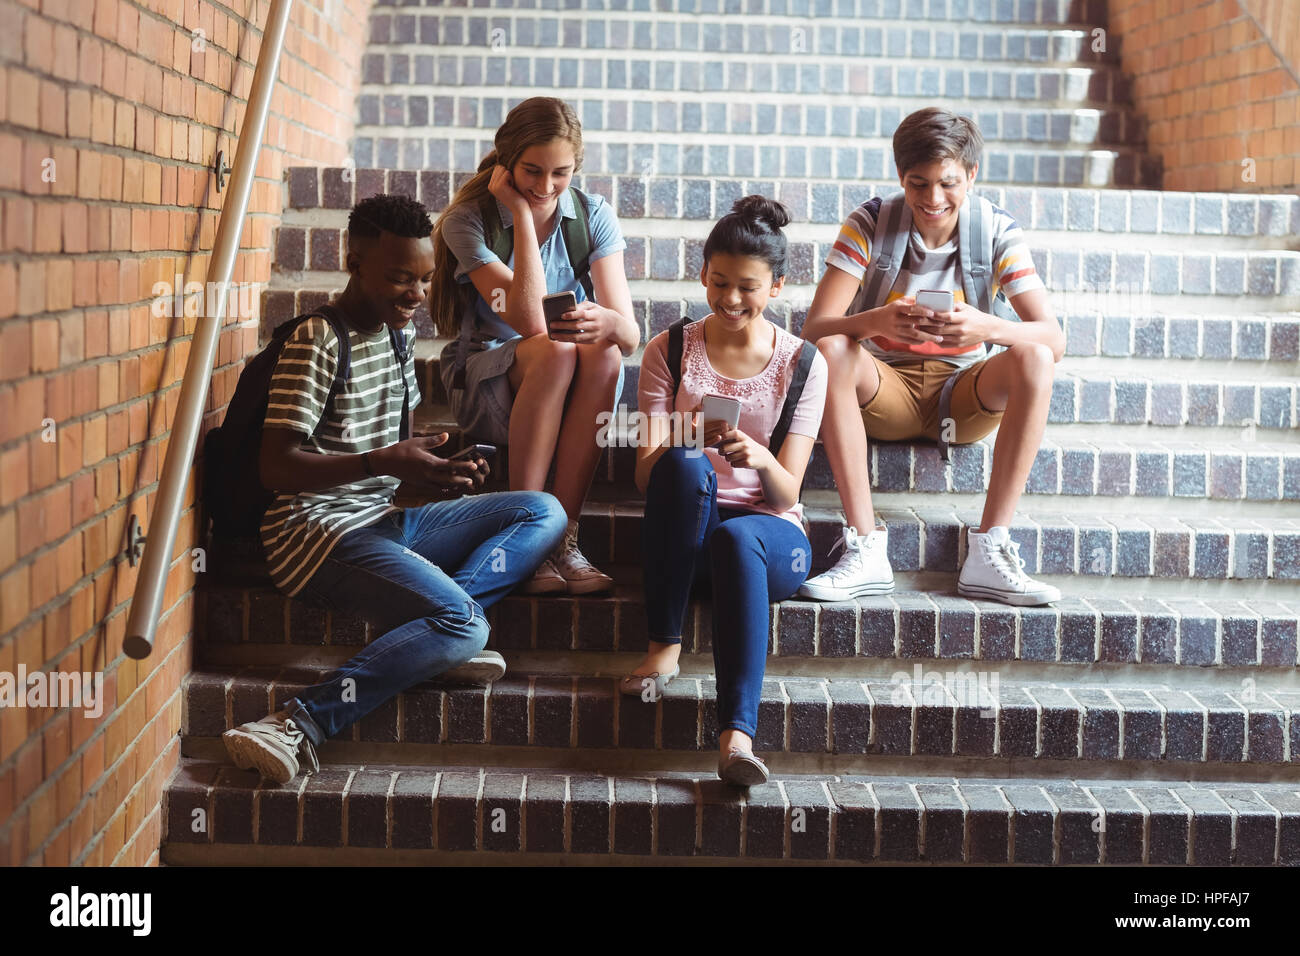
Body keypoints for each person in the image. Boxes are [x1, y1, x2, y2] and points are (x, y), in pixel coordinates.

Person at [222, 194, 567, 784]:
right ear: (353, 262)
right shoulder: (318, 340)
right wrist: (382, 460)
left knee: (544, 510)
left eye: (424, 279)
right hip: (315, 532)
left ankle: (444, 627)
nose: (414, 294)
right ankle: (294, 723)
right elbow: (276, 468)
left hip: (380, 519)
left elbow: (396, 451)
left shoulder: (399, 338)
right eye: (398, 277)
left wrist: (436, 467)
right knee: (466, 625)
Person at [798, 107, 1065, 606]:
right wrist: (875, 320)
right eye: (918, 184)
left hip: (963, 397)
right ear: (901, 176)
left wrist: (986, 326)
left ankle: (989, 549)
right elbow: (814, 330)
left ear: (971, 175)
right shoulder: (871, 222)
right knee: (833, 350)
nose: (932, 199)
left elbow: (1054, 338)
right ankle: (866, 547)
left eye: (947, 183)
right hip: (885, 393)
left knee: (1033, 356)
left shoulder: (996, 231)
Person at [625, 196, 828, 786]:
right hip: (687, 535)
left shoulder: (803, 363)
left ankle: (736, 741)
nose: (731, 299)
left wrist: (760, 456)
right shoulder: (669, 349)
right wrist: (693, 434)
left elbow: (787, 492)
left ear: (778, 286)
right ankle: (664, 644)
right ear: (703, 273)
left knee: (741, 536)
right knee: (686, 466)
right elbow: (646, 476)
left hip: (769, 543)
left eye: (748, 287)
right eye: (719, 283)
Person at [431, 96, 639, 595]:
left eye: (561, 174)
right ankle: (525, 533)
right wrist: (522, 216)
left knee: (602, 351)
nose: (546, 187)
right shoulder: (469, 220)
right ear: (506, 161)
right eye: (532, 171)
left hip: (566, 385)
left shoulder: (593, 216)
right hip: (486, 383)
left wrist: (606, 319)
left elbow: (630, 338)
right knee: (555, 348)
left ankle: (561, 538)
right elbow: (527, 320)